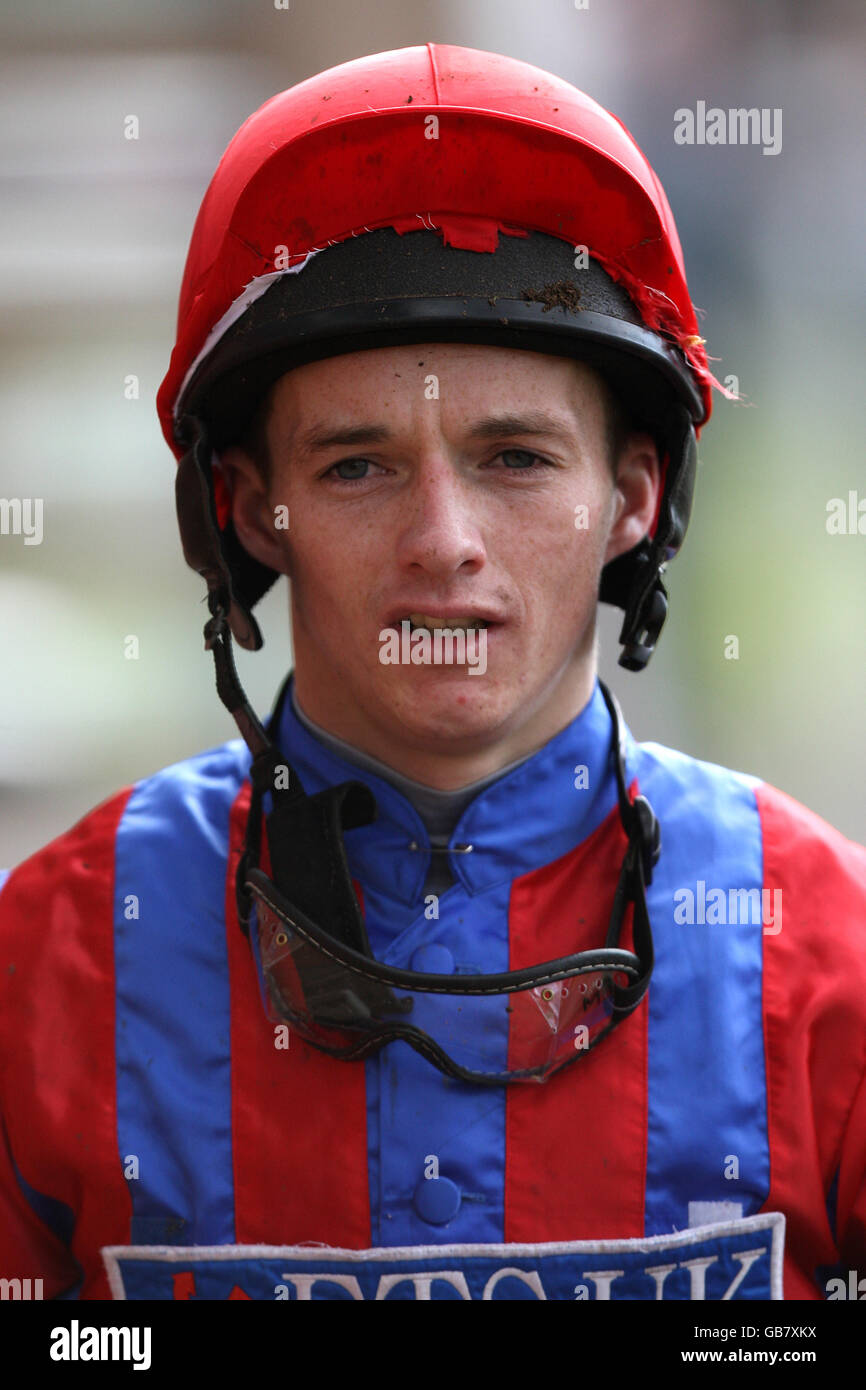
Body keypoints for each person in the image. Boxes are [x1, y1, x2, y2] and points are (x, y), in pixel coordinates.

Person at [1, 43, 864, 1304]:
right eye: (357, 465)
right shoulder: (45, 959)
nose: (442, 540)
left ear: (633, 497)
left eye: (513, 457)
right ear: (246, 512)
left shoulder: (831, 951)